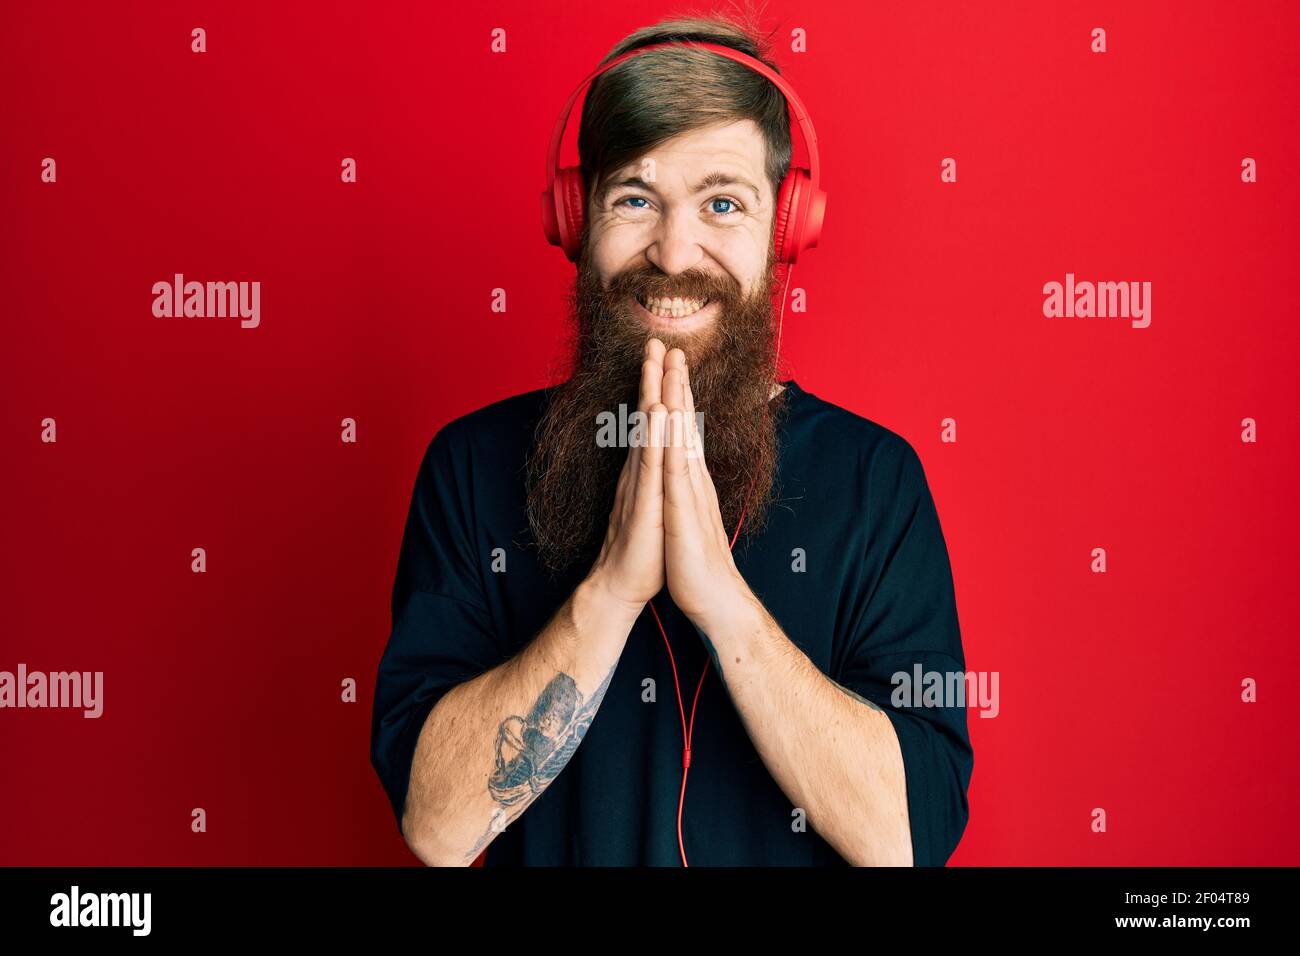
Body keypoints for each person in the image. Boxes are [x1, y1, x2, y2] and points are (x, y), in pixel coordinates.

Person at [370, 13, 973, 866]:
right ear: (576, 221)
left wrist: (721, 601)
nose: (673, 249)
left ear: (787, 229)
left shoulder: (878, 481)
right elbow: (436, 826)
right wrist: (611, 592)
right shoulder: (468, 468)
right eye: (635, 199)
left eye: (723, 202)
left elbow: (906, 839)